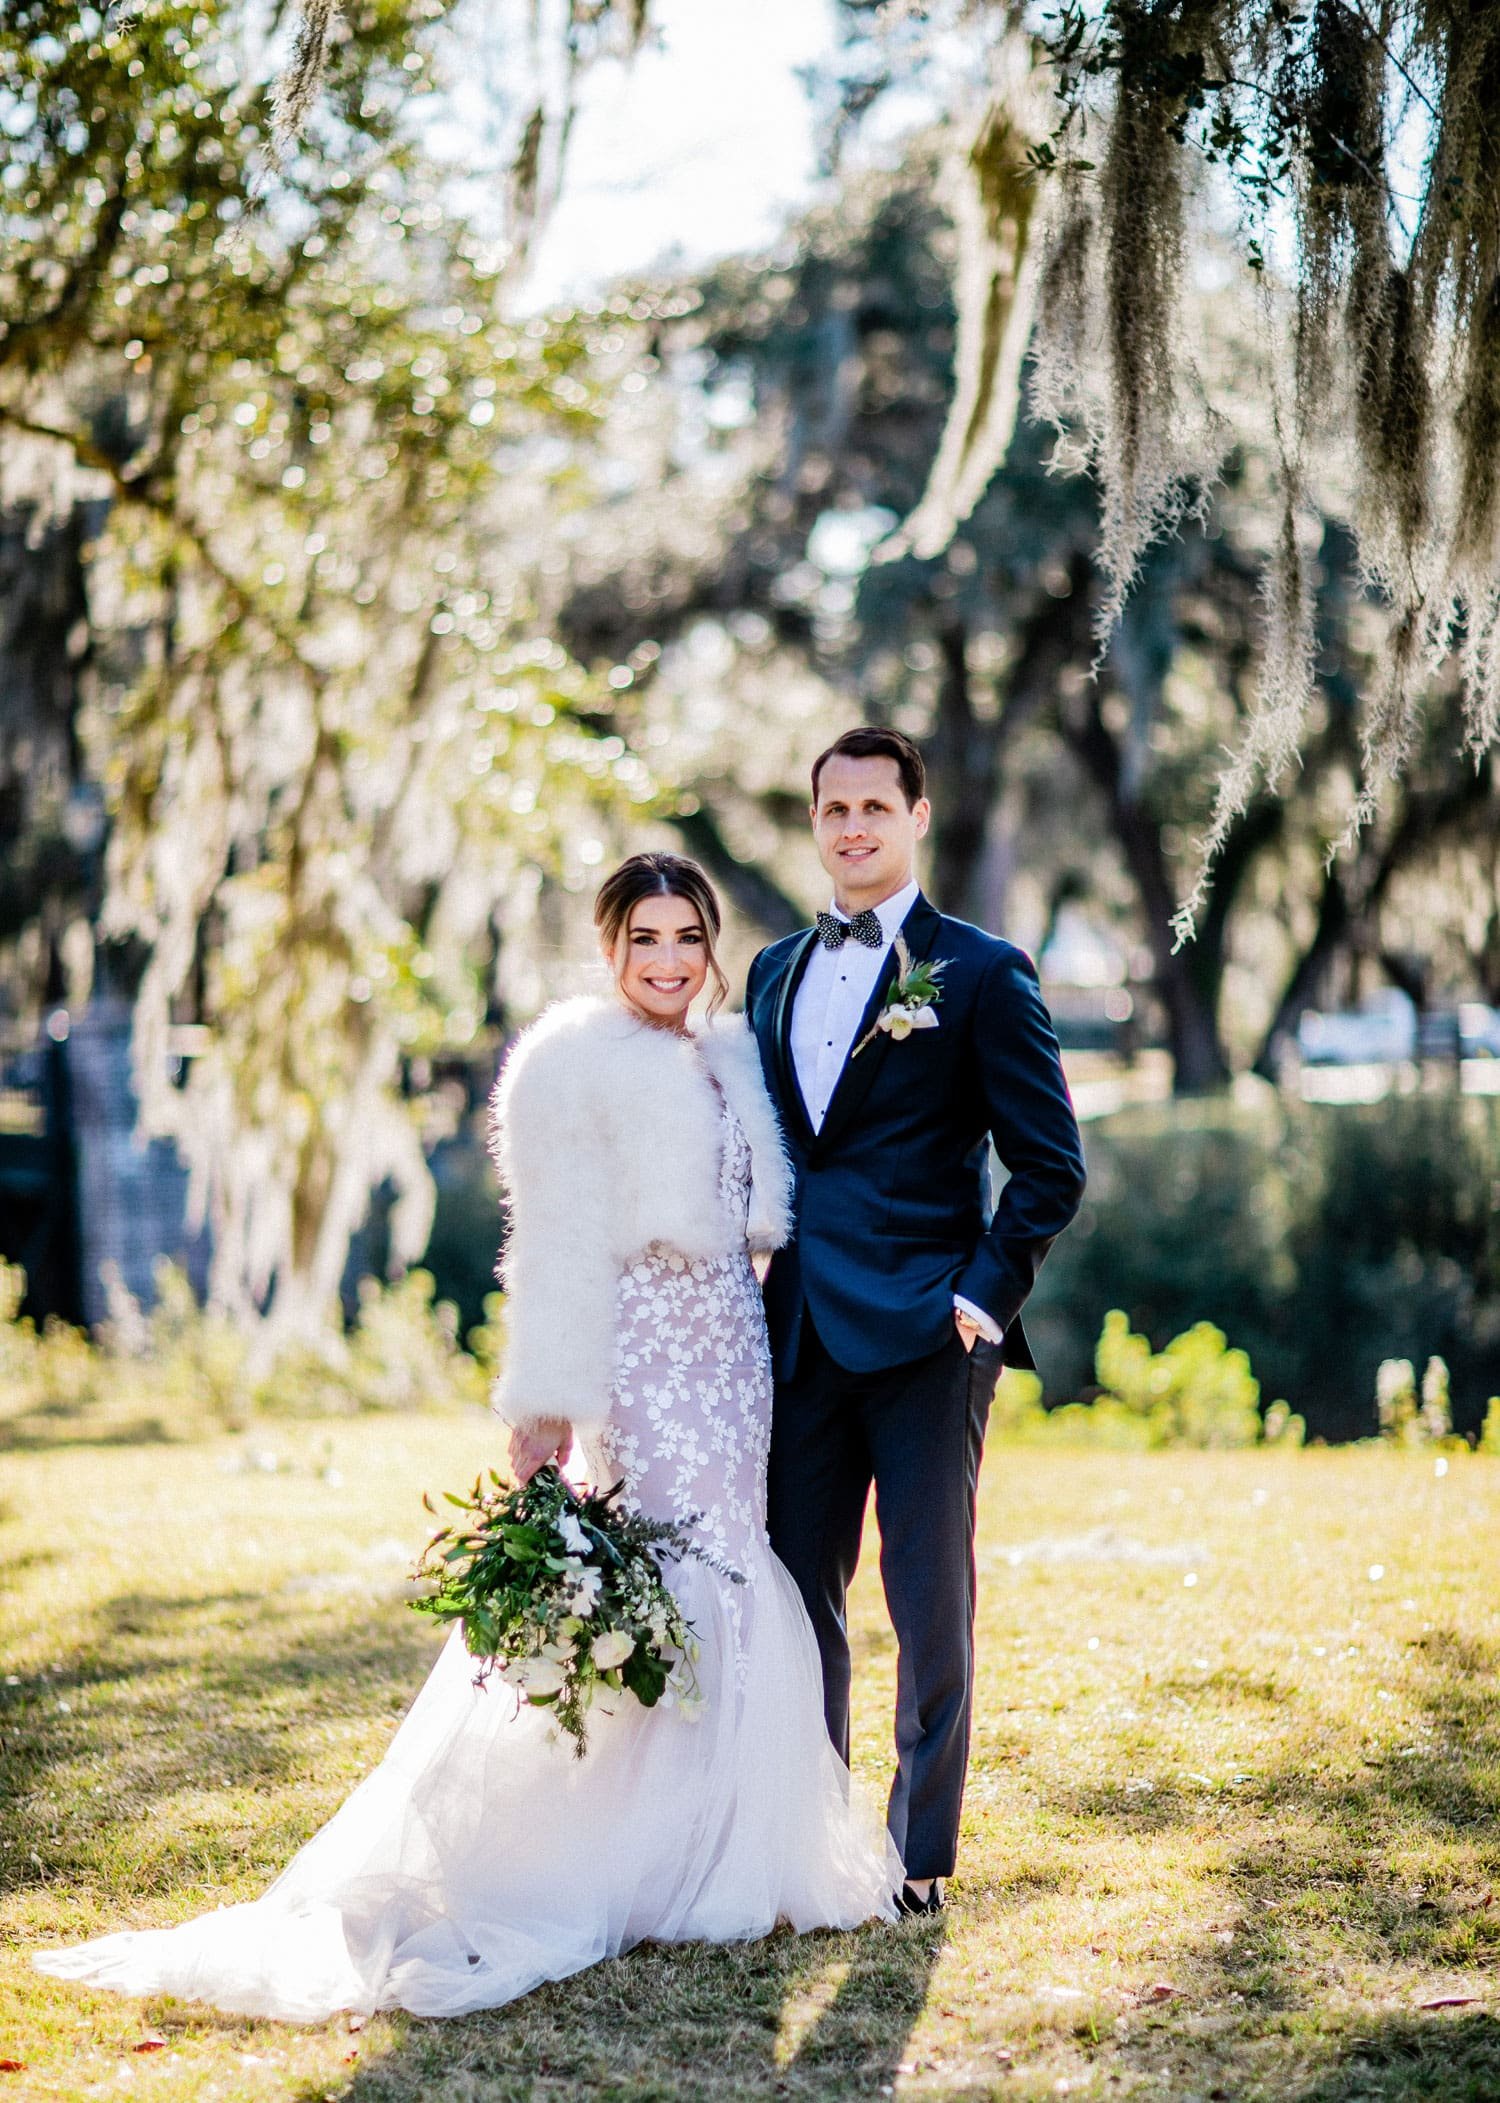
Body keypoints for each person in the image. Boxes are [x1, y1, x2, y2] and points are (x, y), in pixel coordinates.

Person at [33, 852, 898, 2023]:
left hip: (732, 1357)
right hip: (639, 1359)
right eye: (645, 939)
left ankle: (717, 1850)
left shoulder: (732, 1057)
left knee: (735, 1566)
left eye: (689, 937)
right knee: (667, 1577)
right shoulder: (569, 1062)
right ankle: (611, 1856)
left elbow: (759, 1219)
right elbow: (552, 1240)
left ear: (712, 946)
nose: (670, 961)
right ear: (609, 948)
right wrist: (543, 1405)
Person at [746, 726, 1087, 1918]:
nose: (853, 829)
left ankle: (917, 1856)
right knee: (798, 1600)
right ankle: (810, 1844)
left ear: (916, 817)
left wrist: (980, 1300)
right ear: (815, 822)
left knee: (930, 1602)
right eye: (833, 809)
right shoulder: (772, 969)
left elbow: (1051, 1166)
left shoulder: (982, 972)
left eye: (874, 809)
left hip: (929, 1337)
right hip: (798, 1330)